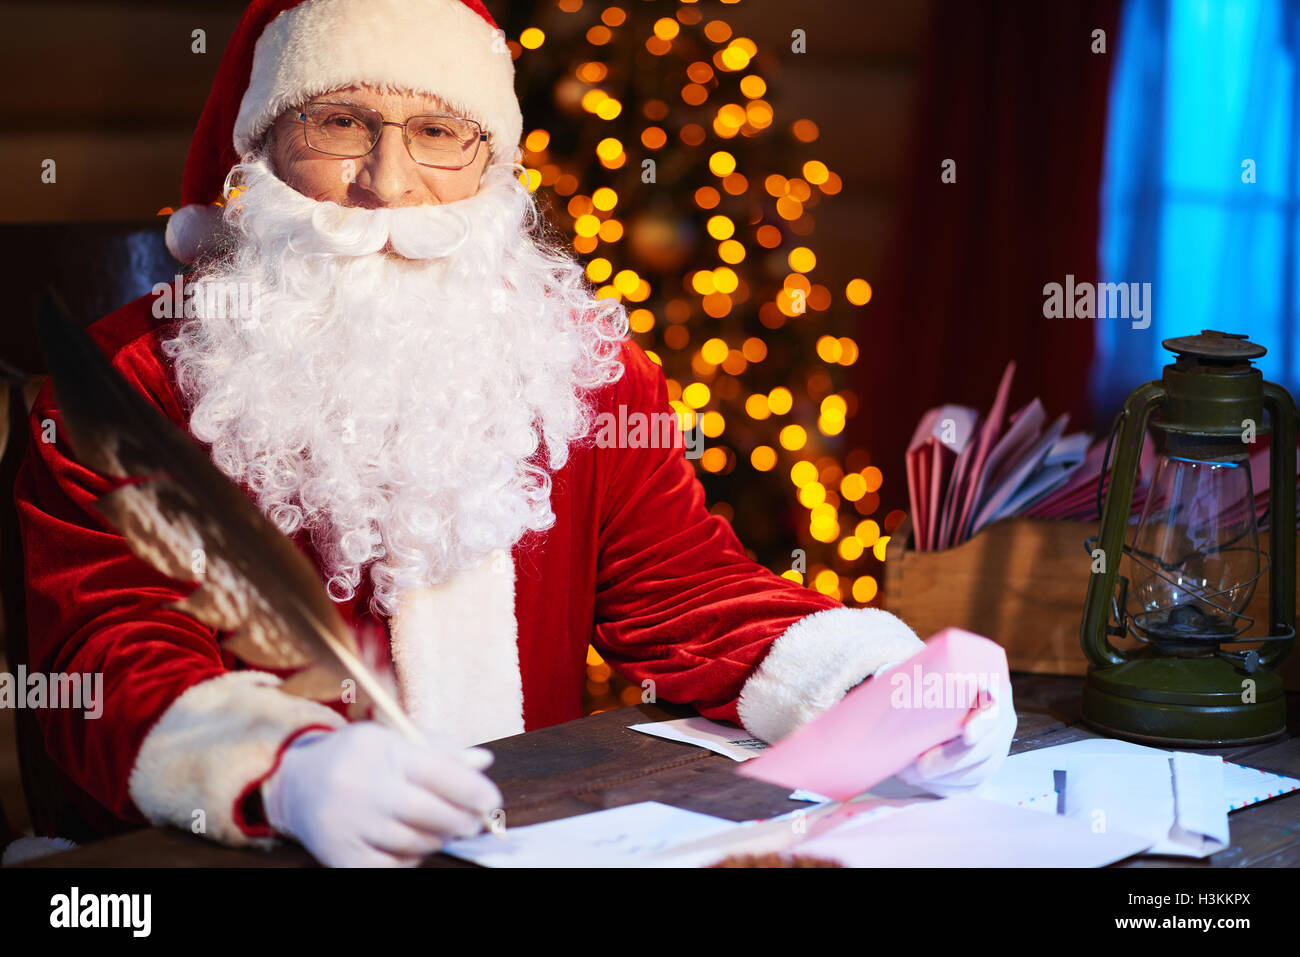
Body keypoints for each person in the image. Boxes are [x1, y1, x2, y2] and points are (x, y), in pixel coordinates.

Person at [12, 0, 1016, 868]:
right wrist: (283, 767)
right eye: (338, 121)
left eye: (439, 131)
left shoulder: (576, 369)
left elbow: (687, 594)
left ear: (492, 162)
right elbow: (104, 656)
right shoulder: (127, 387)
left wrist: (871, 686)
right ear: (262, 145)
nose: (389, 185)